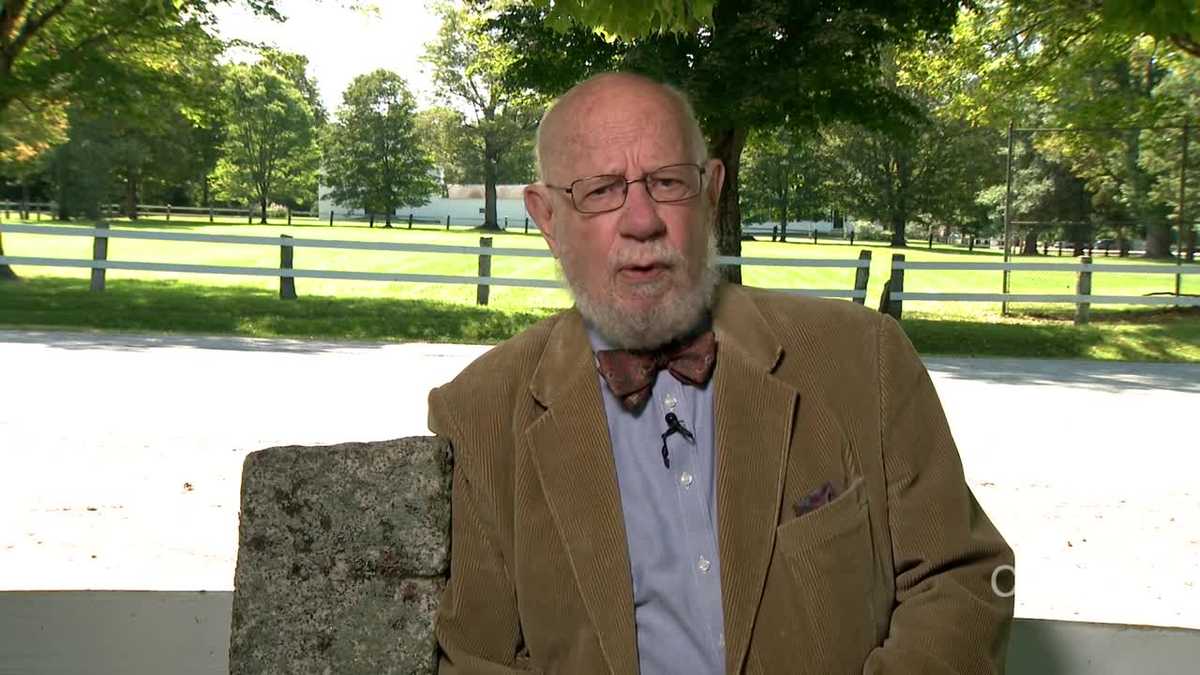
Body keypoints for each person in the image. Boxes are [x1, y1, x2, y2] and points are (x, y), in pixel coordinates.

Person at [427, 72, 1014, 675]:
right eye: (601, 190)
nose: (641, 221)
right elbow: (477, 659)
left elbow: (959, 580)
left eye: (667, 182)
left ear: (710, 193)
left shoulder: (865, 358)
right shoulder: (479, 413)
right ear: (547, 218)